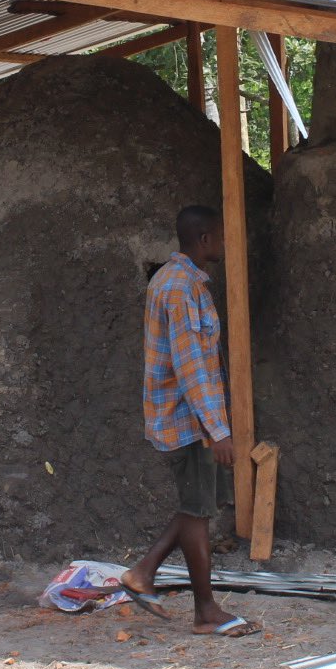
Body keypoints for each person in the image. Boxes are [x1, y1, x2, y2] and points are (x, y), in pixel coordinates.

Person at [118, 205, 261, 638]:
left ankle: (143, 573)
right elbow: (190, 365)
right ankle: (205, 611)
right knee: (197, 513)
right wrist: (218, 430)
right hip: (186, 421)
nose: (224, 243)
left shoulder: (182, 282)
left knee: (196, 508)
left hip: (187, 418)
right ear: (202, 239)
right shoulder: (180, 288)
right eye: (220, 235)